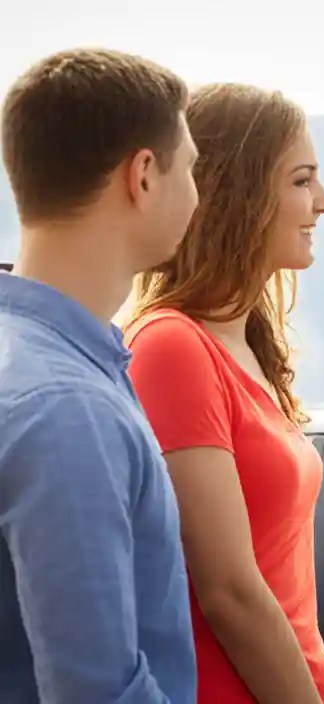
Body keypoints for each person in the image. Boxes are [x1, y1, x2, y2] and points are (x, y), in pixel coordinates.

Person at [122, 82, 324, 703]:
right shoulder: (171, 347)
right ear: (235, 194)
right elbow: (230, 593)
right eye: (301, 181)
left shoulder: (244, 346)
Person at [0, 48, 199, 702]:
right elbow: (97, 691)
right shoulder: (64, 406)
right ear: (142, 175)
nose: (197, 196)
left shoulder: (38, 362)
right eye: (191, 169)